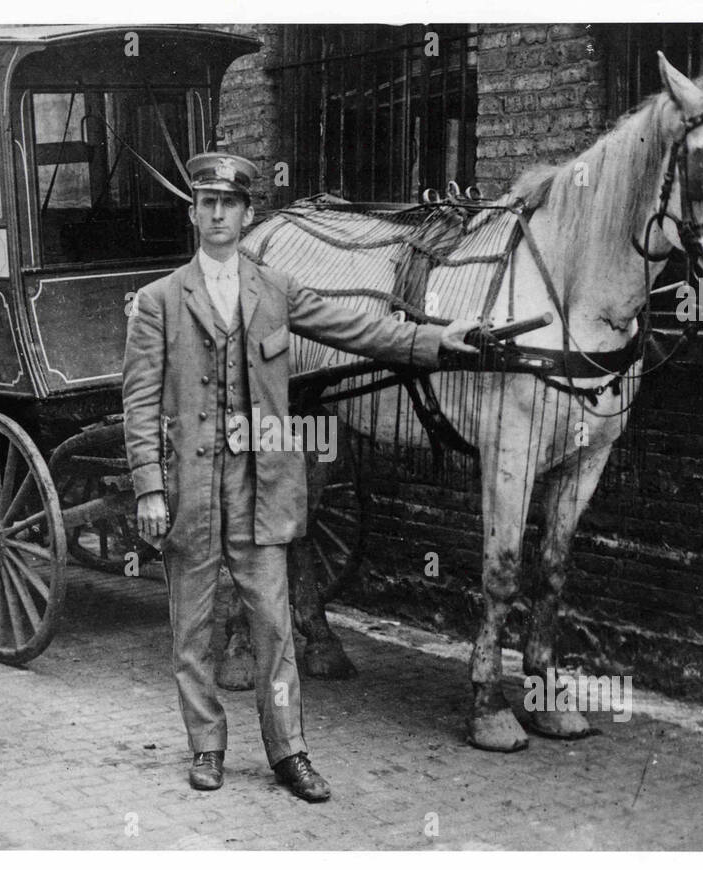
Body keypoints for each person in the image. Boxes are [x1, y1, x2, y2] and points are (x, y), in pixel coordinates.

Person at [121, 152, 478, 802]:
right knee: (191, 628)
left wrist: (432, 341)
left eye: (231, 203)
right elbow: (139, 402)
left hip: (261, 489)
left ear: (248, 213)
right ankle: (207, 746)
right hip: (189, 492)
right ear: (194, 212)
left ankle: (289, 752)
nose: (220, 213)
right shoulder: (157, 303)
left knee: (275, 629)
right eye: (208, 203)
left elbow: (359, 327)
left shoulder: (276, 291)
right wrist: (148, 486)